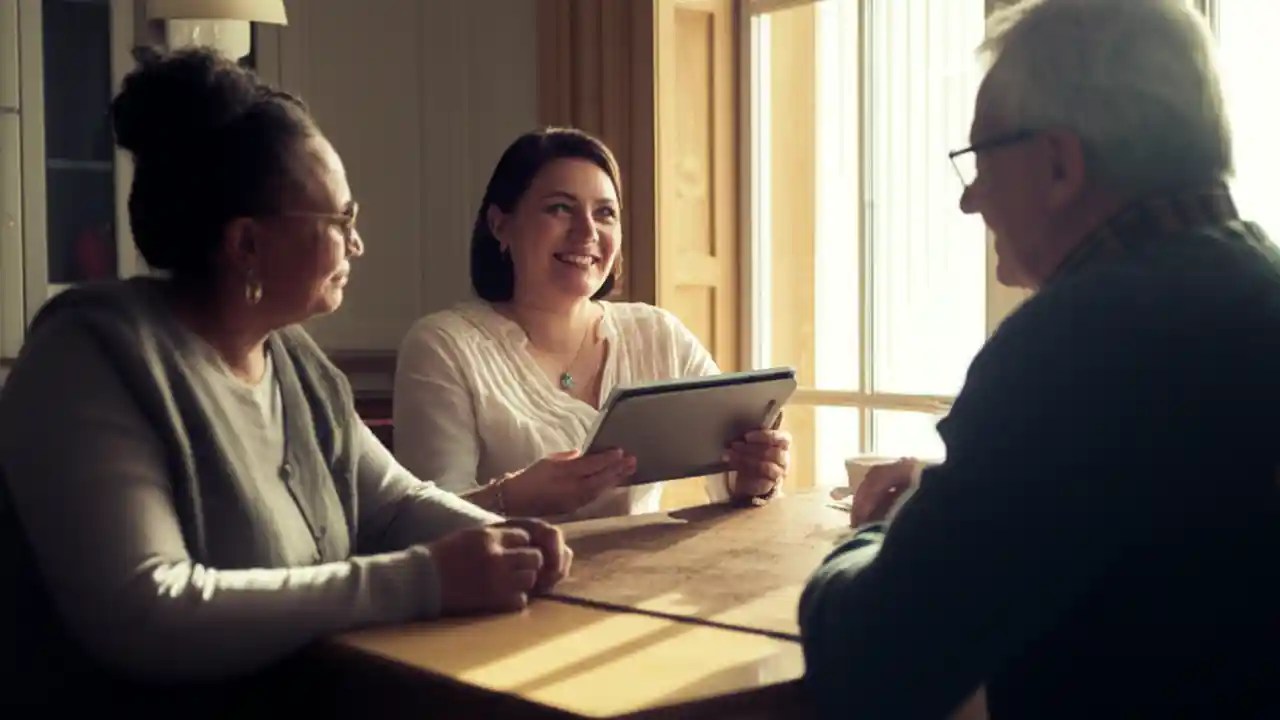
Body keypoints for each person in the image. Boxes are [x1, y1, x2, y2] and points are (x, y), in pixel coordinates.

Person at [0, 48, 570, 707]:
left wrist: (502, 539)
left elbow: (394, 505)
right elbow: (145, 611)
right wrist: (426, 579)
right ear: (246, 244)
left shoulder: (297, 364)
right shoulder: (88, 356)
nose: (357, 244)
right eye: (341, 221)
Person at [799, 1, 1280, 718]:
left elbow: (874, 659)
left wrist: (881, 532)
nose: (969, 200)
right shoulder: (1257, 293)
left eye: (981, 160)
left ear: (1059, 163)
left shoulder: (1074, 345)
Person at [393, 128, 791, 519]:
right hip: (512, 582)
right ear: (501, 225)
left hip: (646, 580)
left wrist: (752, 477)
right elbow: (423, 525)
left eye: (605, 213)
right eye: (560, 208)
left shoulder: (657, 334)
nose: (587, 232)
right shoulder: (442, 345)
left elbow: (727, 475)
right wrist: (510, 498)